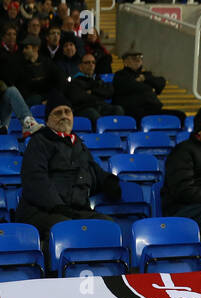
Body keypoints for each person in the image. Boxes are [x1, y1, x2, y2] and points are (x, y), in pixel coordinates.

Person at [15, 91, 120, 241]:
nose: (64, 116)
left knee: (108, 226)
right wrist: (57, 206)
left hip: (75, 210)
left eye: (67, 112)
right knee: (67, 229)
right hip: (42, 211)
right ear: (48, 120)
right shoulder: (39, 141)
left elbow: (93, 170)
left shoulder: (78, 144)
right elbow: (35, 179)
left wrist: (109, 181)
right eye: (58, 113)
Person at [112, 47, 180, 121]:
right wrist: (150, 87)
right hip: (133, 111)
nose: (138, 60)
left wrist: (144, 79)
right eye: (134, 58)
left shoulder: (146, 75)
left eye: (140, 57)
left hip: (152, 110)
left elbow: (161, 82)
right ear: (125, 62)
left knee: (179, 115)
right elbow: (132, 86)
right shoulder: (120, 75)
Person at [66, 51, 124, 125]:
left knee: (118, 109)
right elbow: (79, 97)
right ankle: (104, 133)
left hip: (101, 107)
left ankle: (115, 133)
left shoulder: (98, 79)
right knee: (94, 114)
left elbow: (110, 91)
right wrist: (99, 94)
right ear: (80, 66)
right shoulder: (75, 81)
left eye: (93, 62)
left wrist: (92, 91)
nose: (91, 65)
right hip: (84, 109)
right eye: (87, 62)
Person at [9, 35, 64, 107]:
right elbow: (21, 89)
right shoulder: (20, 66)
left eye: (27, 48)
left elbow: (60, 80)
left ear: (35, 48)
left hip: (47, 97)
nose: (24, 51)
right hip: (29, 100)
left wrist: (51, 98)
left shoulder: (47, 63)